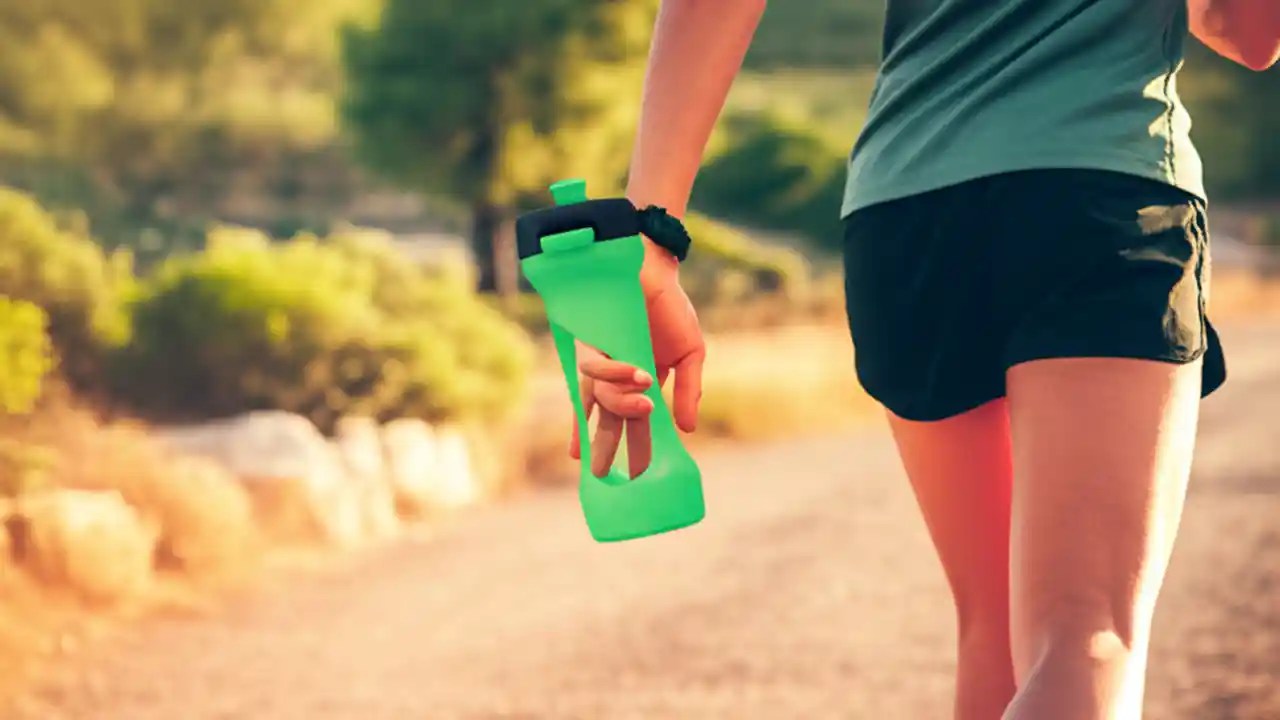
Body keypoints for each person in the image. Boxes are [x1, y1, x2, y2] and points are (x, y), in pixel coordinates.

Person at [568, 1, 1279, 718]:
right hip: (1099, 179)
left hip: (906, 202)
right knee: (1084, 633)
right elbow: (1251, 30)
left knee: (998, 634)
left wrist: (650, 239)